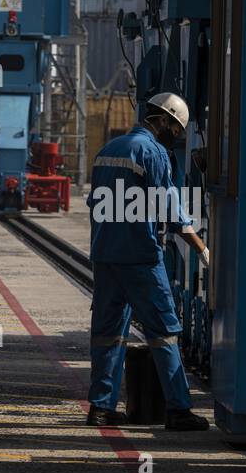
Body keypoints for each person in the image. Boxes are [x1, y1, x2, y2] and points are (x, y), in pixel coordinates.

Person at [85, 92, 210, 430]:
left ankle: (100, 408)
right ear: (164, 121)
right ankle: (179, 410)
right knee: (164, 331)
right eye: (177, 129)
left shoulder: (107, 150)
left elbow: (95, 203)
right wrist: (201, 247)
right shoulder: (152, 152)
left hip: (105, 254)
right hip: (139, 256)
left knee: (108, 333)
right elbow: (171, 209)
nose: (177, 136)